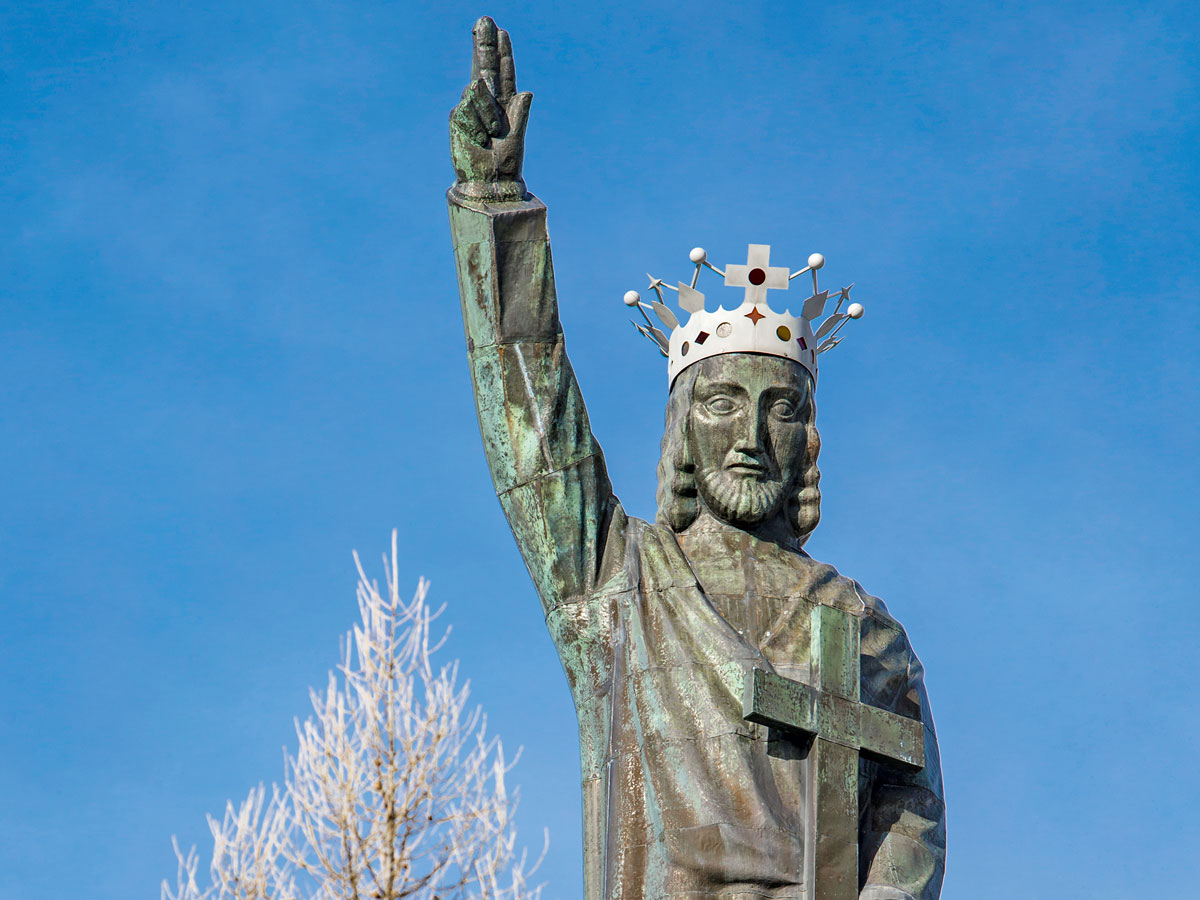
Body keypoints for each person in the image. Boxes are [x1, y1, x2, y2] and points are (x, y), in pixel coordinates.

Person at [447, 17, 946, 900]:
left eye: (780, 410)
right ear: (682, 428)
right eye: (722, 403)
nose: (751, 436)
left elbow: (911, 824)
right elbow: (534, 419)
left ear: (808, 443)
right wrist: (496, 204)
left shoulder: (869, 633)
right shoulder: (619, 581)